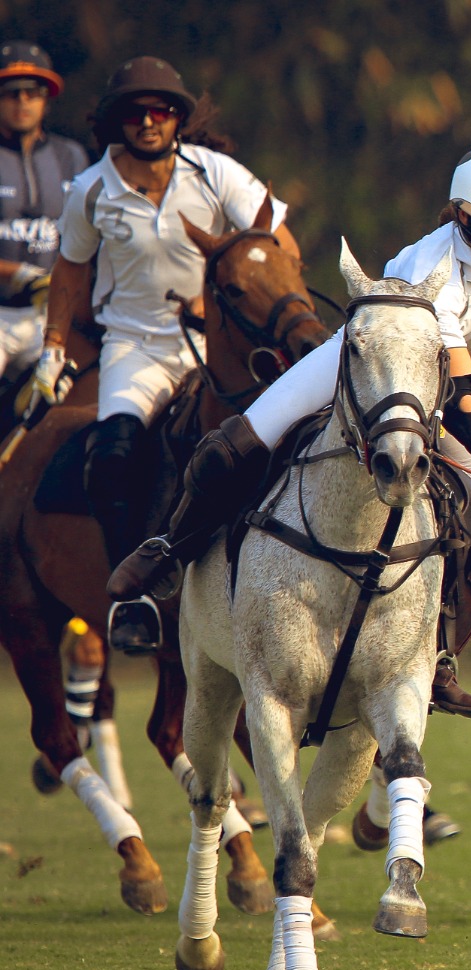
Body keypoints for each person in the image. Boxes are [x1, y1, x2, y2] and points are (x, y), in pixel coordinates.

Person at [108, 144, 471, 718]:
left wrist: (462, 438)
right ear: (463, 214)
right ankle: (169, 549)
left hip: (448, 394)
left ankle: (436, 659)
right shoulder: (431, 266)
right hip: (367, 363)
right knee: (234, 447)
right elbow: (467, 385)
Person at [35, 56, 302, 654]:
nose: (149, 121)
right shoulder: (90, 189)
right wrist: (53, 345)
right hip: (136, 346)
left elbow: (277, 239)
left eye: (161, 110)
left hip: (217, 345)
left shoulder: (215, 173)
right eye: (135, 112)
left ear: (178, 117)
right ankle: (132, 597)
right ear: (116, 121)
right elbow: (70, 270)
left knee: (286, 437)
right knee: (114, 453)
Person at [0, 41, 89, 403]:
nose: (22, 101)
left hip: (52, 318)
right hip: (1, 313)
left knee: (75, 395)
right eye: (11, 93)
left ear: (46, 99)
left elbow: (90, 237)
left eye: (32, 92)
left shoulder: (72, 157)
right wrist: (19, 273)